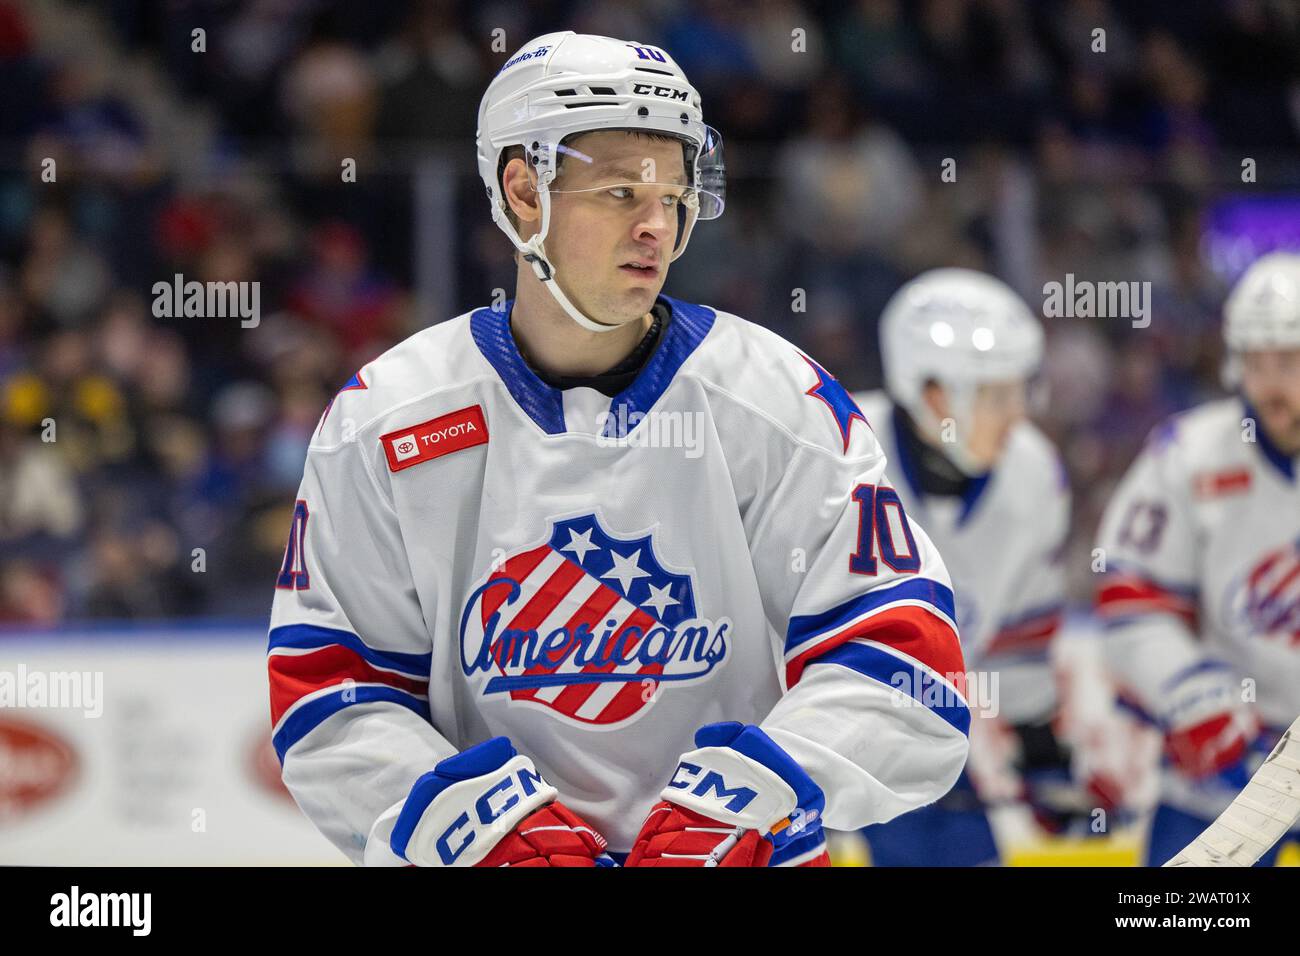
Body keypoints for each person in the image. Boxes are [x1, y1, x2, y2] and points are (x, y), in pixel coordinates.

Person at [265, 32, 969, 867]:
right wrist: (476, 828)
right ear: (523, 191)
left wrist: (758, 794)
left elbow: (908, 670)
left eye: (674, 195)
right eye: (621, 192)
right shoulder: (387, 419)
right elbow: (333, 697)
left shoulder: (779, 401)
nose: (656, 227)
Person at [853, 269, 1101, 865]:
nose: (1017, 415)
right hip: (793, 735)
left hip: (926, 741)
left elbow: (1019, 632)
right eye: (995, 395)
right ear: (933, 394)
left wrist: (1043, 756)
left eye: (1020, 391)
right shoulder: (836, 453)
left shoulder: (1034, 474)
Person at [1095, 251, 1300, 866]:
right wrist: (1187, 692)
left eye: (1288, 361)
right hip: (1223, 778)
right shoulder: (1190, 455)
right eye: (1254, 361)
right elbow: (1130, 598)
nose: (1269, 385)